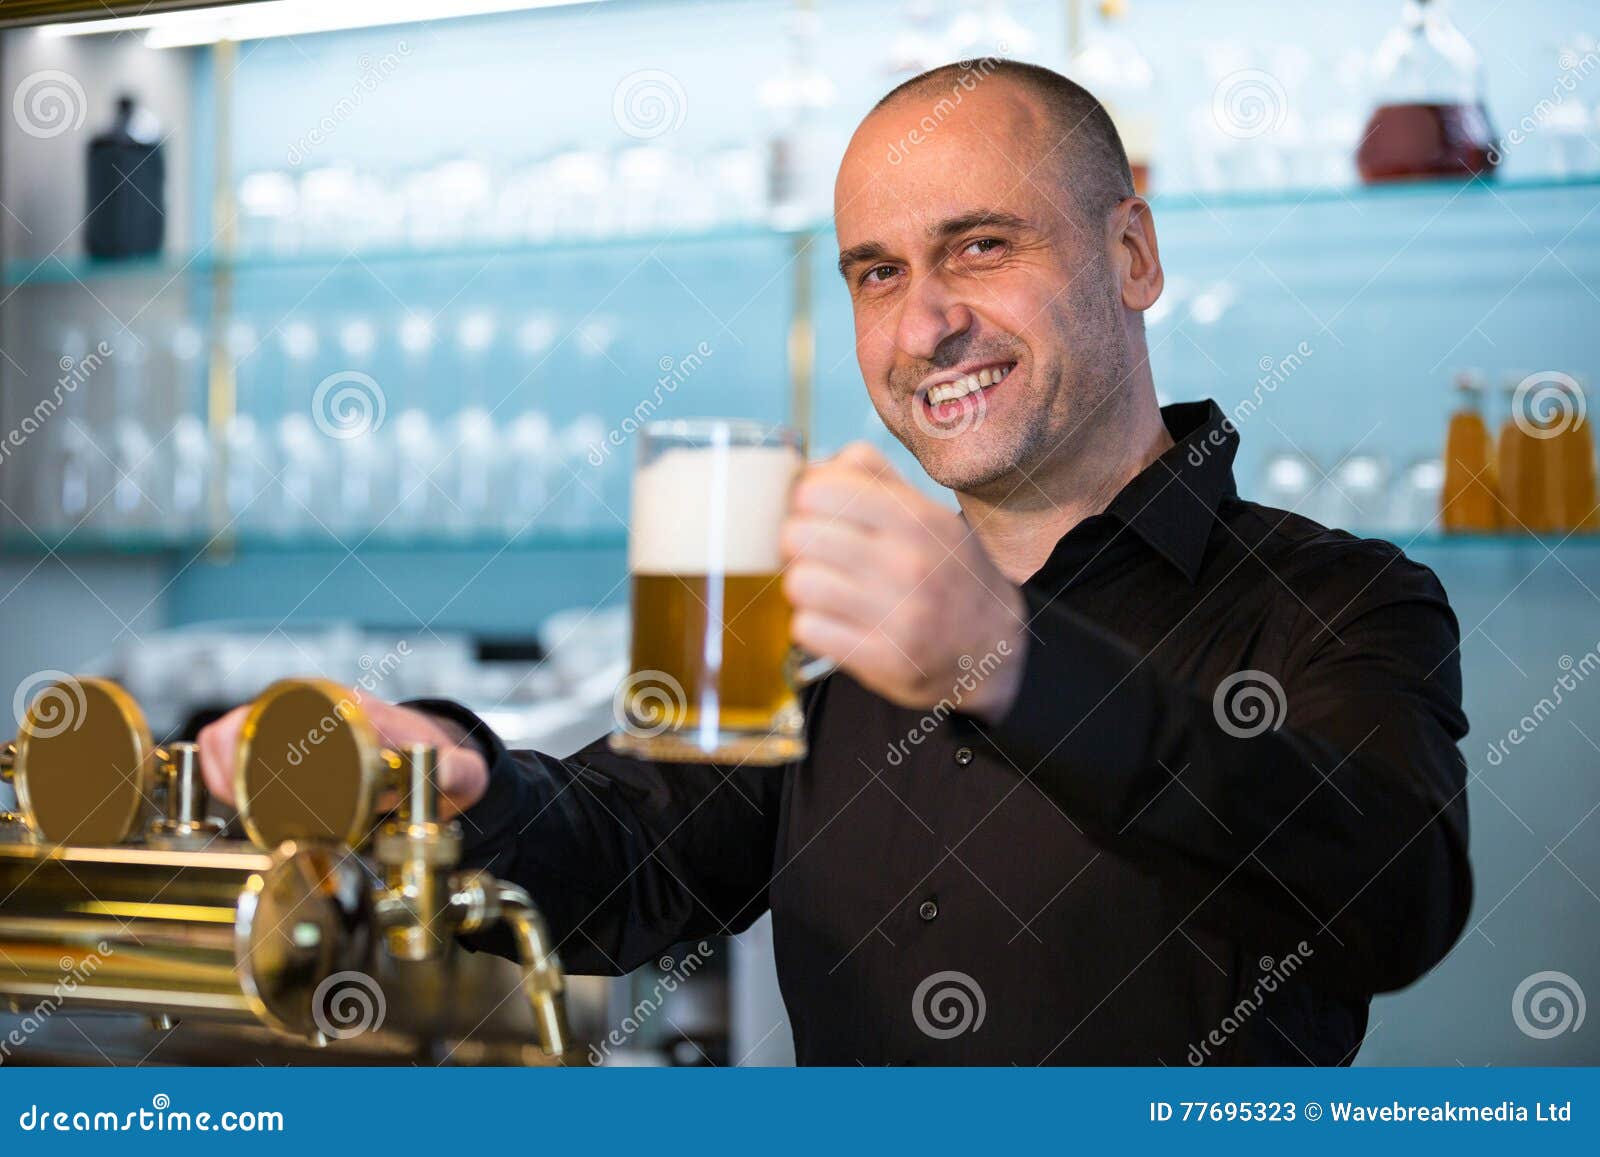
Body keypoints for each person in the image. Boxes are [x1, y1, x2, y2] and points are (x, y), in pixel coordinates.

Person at [197, 60, 1471, 1065]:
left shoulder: (1341, 601)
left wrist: (1014, 664)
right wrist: (462, 778)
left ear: (1131, 255)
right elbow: (631, 864)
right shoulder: (814, 624)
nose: (924, 323)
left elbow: (1394, 898)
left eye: (981, 245)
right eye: (878, 271)